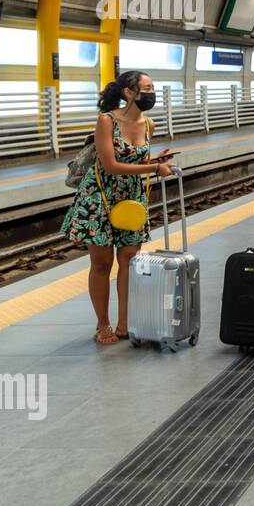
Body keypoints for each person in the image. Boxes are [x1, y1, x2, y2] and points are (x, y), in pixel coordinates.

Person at [61, 70, 175, 345]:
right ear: (129, 92)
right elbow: (111, 165)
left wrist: (154, 158)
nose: (151, 93)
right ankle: (103, 325)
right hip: (100, 196)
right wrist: (155, 168)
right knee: (102, 263)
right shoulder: (107, 121)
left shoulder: (149, 124)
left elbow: (136, 157)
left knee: (129, 261)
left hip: (131, 198)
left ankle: (125, 323)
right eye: (146, 88)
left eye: (152, 88)